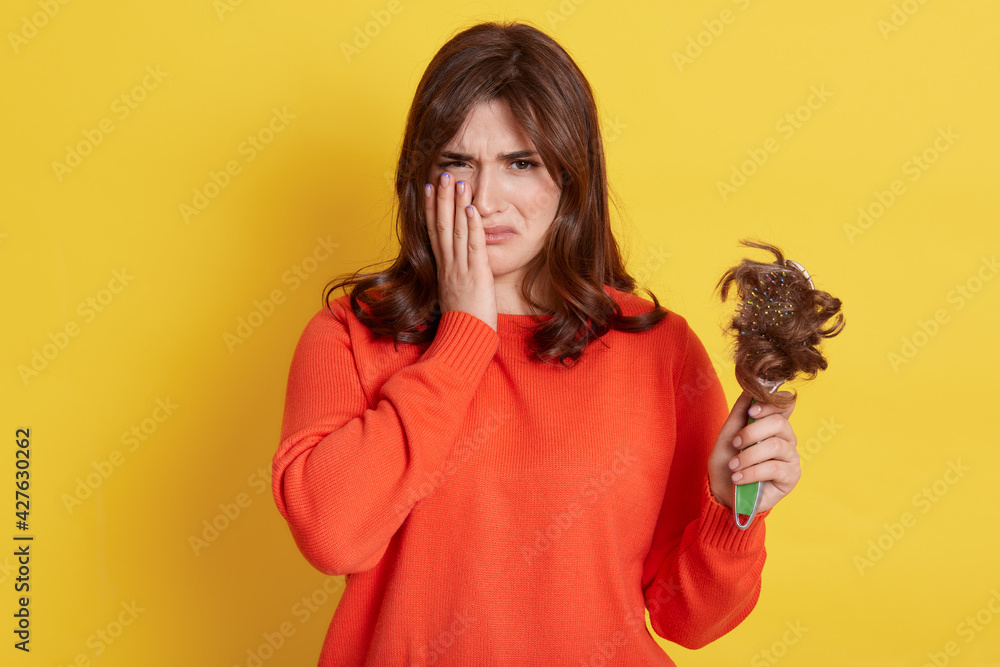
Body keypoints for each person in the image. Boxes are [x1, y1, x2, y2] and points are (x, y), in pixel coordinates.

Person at [271, 19, 801, 667]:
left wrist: (730, 509)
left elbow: (689, 620)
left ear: (570, 179)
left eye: (520, 163)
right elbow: (332, 535)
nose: (487, 199)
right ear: (421, 178)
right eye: (457, 163)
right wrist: (465, 333)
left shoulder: (660, 350)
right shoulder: (349, 336)